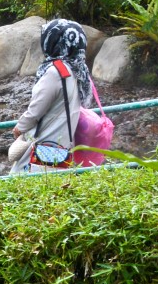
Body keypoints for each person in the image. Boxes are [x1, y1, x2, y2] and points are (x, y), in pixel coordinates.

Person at [9, 18, 95, 174]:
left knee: (18, 184)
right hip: (64, 147)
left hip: (45, 148)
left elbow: (36, 110)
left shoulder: (56, 72)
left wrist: (19, 128)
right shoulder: (77, 70)